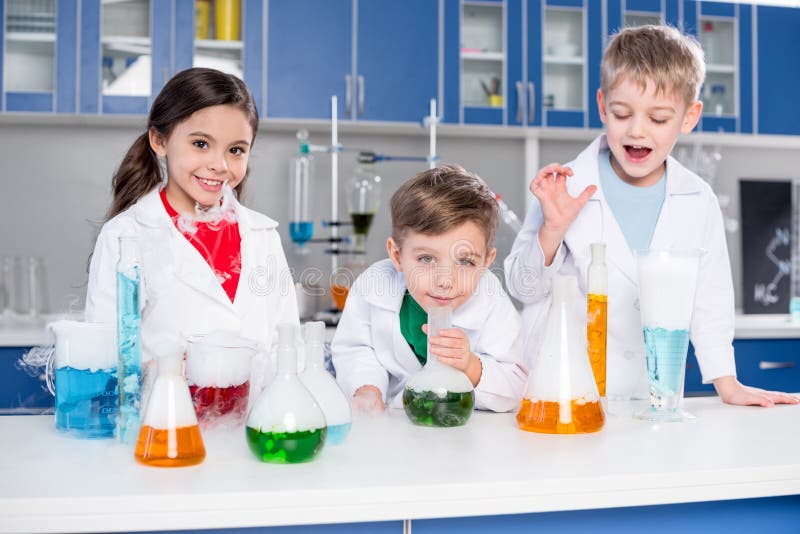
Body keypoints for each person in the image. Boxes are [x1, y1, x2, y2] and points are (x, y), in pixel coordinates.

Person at [504, 25, 798, 407]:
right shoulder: (566, 189)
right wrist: (552, 230)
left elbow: (710, 299)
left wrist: (728, 383)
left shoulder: (697, 199)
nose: (637, 131)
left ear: (689, 117)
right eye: (621, 113)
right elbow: (523, 289)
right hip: (562, 393)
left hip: (651, 397)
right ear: (601, 105)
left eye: (658, 118)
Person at [86, 68, 298, 371]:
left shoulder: (263, 235)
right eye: (200, 144)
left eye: (236, 150)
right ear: (159, 141)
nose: (219, 165)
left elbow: (289, 345)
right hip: (165, 414)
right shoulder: (126, 236)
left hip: (257, 416)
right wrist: (171, 370)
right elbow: (104, 358)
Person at [332, 164, 528, 413]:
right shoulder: (374, 285)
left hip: (465, 435)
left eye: (465, 261)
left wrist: (470, 366)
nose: (445, 281)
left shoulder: (491, 303)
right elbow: (356, 349)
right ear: (397, 255)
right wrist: (368, 388)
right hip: (392, 428)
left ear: (486, 262)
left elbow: (515, 387)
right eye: (427, 259)